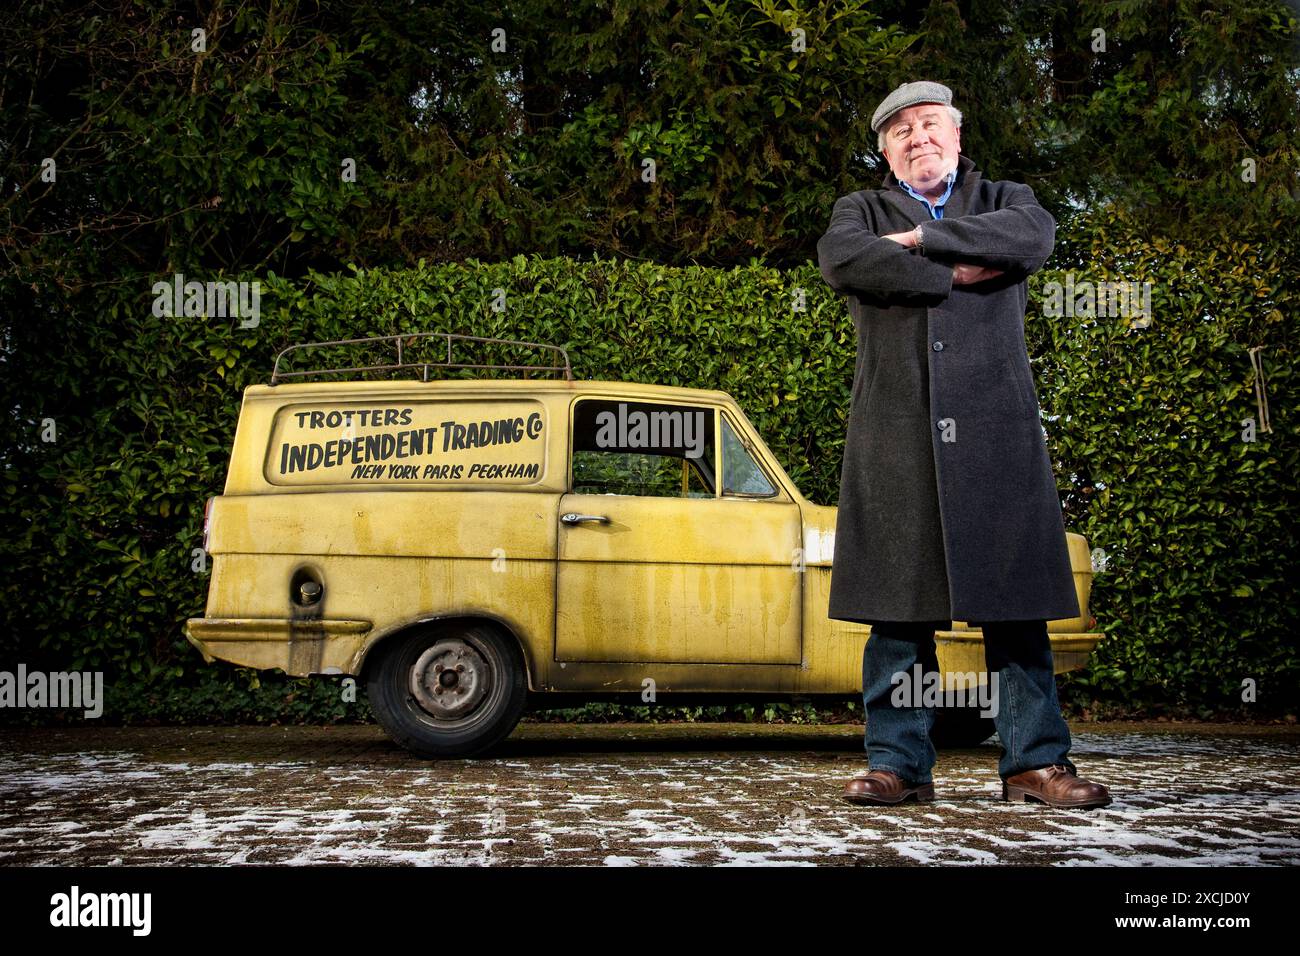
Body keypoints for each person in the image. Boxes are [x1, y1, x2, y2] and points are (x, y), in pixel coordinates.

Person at [816, 81, 1111, 809]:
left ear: (955, 133)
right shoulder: (860, 209)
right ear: (884, 152)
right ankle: (898, 765)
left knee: (1015, 609)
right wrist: (955, 270)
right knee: (897, 612)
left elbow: (1030, 239)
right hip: (897, 431)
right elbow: (845, 260)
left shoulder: (1008, 196)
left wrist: (917, 242)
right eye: (901, 132)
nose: (918, 138)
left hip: (996, 432)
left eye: (929, 125)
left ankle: (1035, 764)